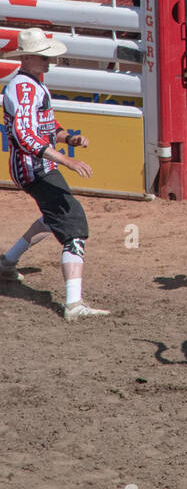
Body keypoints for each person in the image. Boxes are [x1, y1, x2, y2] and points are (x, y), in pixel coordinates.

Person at [1, 29, 109, 322]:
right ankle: (73, 303)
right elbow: (25, 135)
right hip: (35, 167)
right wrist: (66, 160)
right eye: (43, 57)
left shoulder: (32, 85)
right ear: (26, 58)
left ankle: (7, 263)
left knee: (54, 215)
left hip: (33, 166)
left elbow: (43, 125)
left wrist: (66, 138)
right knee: (73, 225)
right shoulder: (24, 88)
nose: (49, 62)